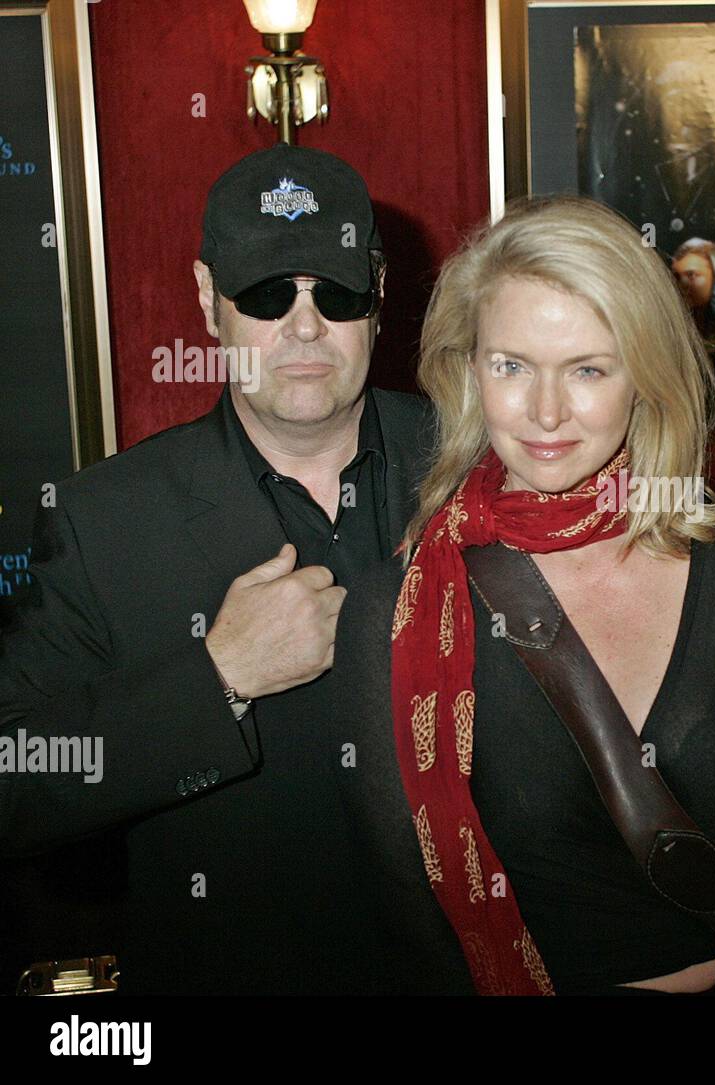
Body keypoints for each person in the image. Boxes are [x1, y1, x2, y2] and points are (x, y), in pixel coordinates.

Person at [328, 194, 715, 995]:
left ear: (645, 374)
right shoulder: (394, 608)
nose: (545, 412)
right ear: (470, 370)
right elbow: (411, 918)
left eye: (587, 369)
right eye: (511, 365)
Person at [0, 143, 437, 993]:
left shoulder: (480, 467)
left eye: (335, 293)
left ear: (380, 295)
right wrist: (218, 677)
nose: (305, 327)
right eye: (269, 294)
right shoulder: (101, 520)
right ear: (209, 301)